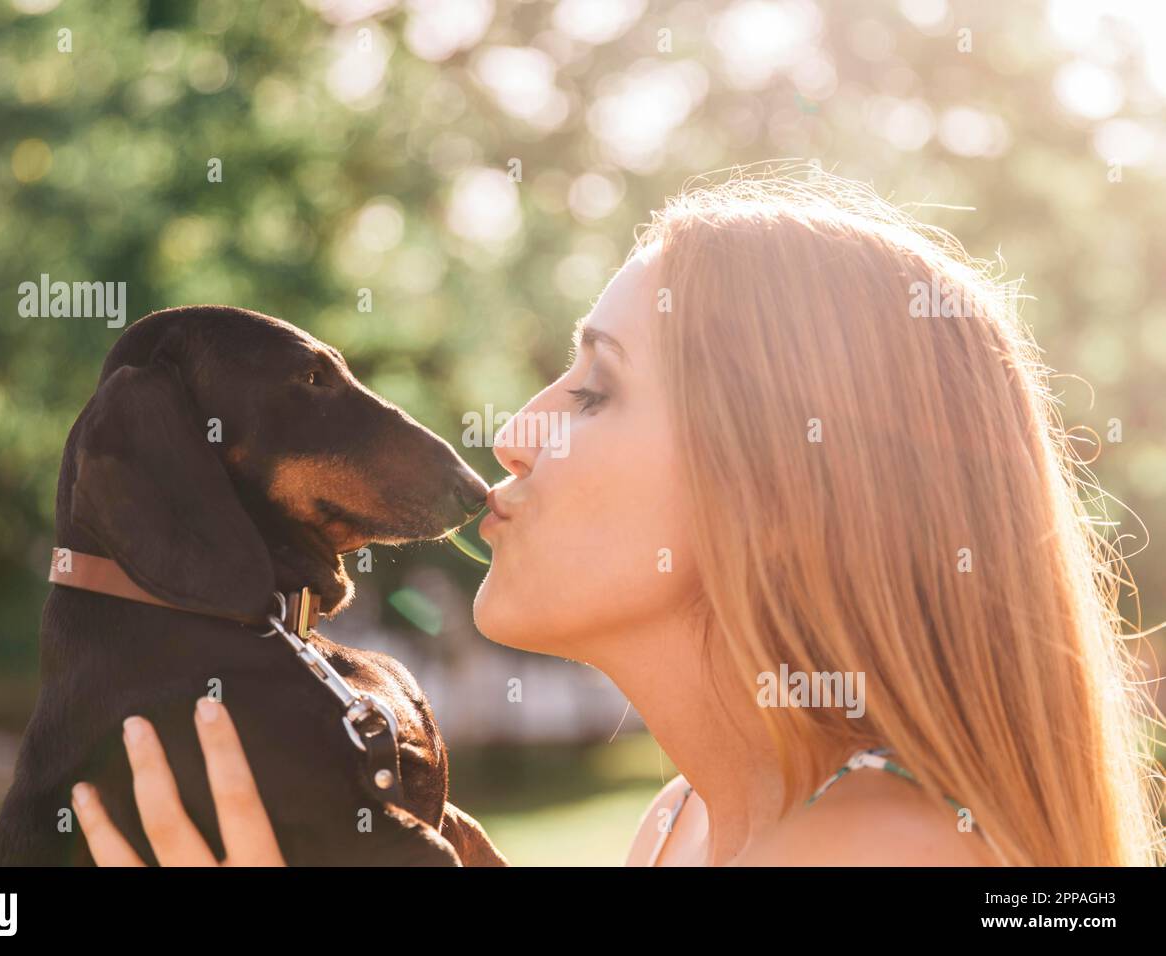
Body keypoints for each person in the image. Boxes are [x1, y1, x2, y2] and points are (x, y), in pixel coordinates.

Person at [71, 167, 1165, 866]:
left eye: (593, 390)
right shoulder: (681, 825)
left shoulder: (876, 850)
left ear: (780, 486)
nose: (512, 432)